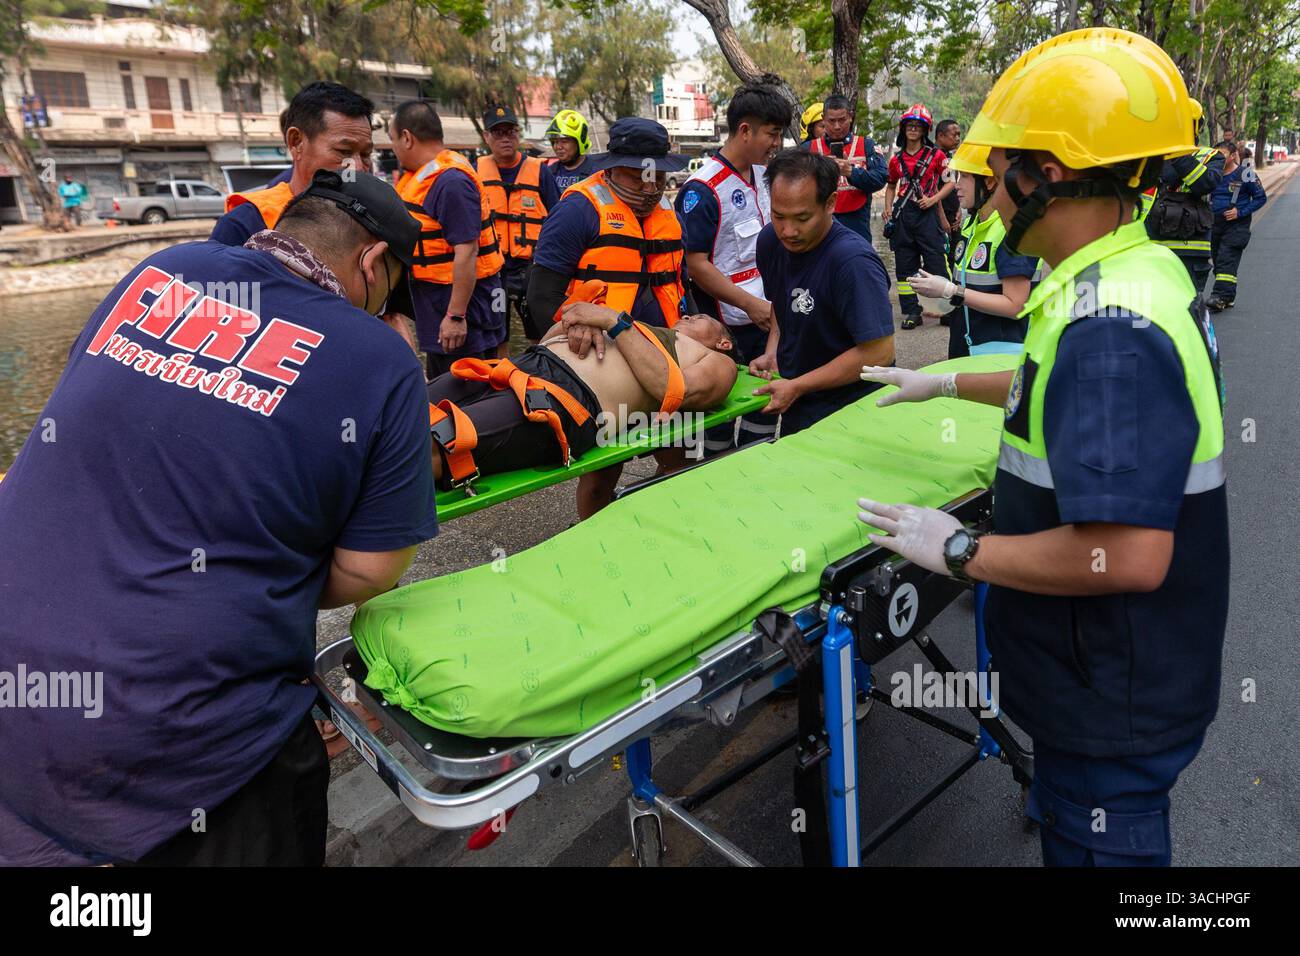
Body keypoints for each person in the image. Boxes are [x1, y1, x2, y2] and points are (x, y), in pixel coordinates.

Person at [860, 28, 1228, 868]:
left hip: (1107, 693)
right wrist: (945, 382)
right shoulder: (1132, 273)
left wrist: (958, 550)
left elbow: (1127, 555)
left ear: (1047, 175)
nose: (986, 198)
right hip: (1118, 676)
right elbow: (1054, 377)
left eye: (995, 177)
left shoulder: (1112, 328)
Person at [0, 169, 437, 866]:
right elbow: (368, 569)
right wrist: (255, 568)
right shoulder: (382, 358)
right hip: (184, 751)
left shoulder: (164, 268)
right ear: (372, 263)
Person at [527, 116, 690, 517]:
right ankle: (592, 537)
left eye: (658, 177)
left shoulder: (665, 212)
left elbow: (679, 284)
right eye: (639, 177)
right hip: (603, 360)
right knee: (603, 469)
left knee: (679, 454)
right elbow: (541, 294)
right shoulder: (578, 210)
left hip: (659, 350)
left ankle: (675, 529)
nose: (651, 187)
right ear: (611, 167)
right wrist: (569, 330)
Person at [427, 306, 737, 488]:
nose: (689, 315)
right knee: (405, 404)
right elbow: (549, 341)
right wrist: (575, 324)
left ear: (723, 343)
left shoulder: (716, 361)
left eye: (702, 317)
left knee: (439, 443)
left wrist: (613, 322)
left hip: (566, 400)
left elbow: (674, 391)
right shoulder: (640, 330)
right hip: (519, 366)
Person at [676, 81, 789, 451]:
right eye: (772, 135)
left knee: (763, 403)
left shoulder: (764, 176)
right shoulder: (702, 189)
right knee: (718, 416)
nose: (777, 144)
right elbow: (695, 265)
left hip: (766, 319)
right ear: (745, 130)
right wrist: (749, 305)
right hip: (726, 327)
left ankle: (755, 467)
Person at [751, 149, 894, 435]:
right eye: (779, 216)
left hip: (852, 413)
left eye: (802, 218)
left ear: (830, 203)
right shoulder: (770, 241)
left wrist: (799, 385)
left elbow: (880, 352)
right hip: (799, 408)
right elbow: (782, 300)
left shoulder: (852, 263)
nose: (788, 231)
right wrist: (773, 352)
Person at [389, 99, 506, 377]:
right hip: (438, 306)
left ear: (407, 138)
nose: (393, 148)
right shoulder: (423, 177)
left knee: (467, 389)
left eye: (393, 140)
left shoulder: (451, 182)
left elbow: (467, 251)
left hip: (464, 311)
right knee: (443, 384)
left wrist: (456, 316)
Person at [907, 143, 1037, 359]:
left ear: (989, 181)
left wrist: (952, 292)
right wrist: (944, 299)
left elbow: (1016, 305)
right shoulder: (971, 224)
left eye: (965, 177)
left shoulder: (1008, 229)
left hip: (998, 356)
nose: (956, 185)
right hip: (965, 347)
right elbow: (973, 289)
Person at [210, 81, 375, 246]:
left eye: (366, 154)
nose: (358, 168)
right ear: (296, 142)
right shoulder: (246, 224)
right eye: (344, 151)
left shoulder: (374, 217)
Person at [478, 104, 561, 346]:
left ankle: (541, 377)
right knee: (496, 333)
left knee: (540, 333)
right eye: (498, 133)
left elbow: (557, 219)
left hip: (532, 269)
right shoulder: (476, 172)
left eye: (511, 131)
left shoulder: (540, 172)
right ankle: (499, 378)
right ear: (486, 137)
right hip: (494, 271)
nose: (505, 138)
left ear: (519, 134)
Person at [880, 103, 954, 329]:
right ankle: (912, 311)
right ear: (904, 129)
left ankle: (946, 309)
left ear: (925, 130)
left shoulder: (937, 156)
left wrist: (933, 199)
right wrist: (888, 207)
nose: (913, 129)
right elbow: (891, 185)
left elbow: (950, 182)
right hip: (904, 216)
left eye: (917, 126)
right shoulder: (896, 160)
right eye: (909, 126)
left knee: (936, 261)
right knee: (905, 265)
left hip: (927, 215)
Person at [1145, 102, 1223, 297]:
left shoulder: (1211, 156)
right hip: (1151, 249)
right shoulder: (1148, 156)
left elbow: (1204, 184)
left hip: (1190, 251)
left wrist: (1178, 154)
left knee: (1189, 313)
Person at [804, 94, 888, 242]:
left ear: (850, 116)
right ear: (824, 119)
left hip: (857, 226)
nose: (837, 126)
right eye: (831, 121)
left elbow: (881, 178)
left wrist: (850, 172)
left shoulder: (866, 145)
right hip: (820, 226)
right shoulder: (808, 148)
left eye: (842, 120)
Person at [1208, 142, 1266, 312]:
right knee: (1219, 263)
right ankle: (1228, 297)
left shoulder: (1246, 174)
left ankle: (1218, 296)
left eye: (1223, 155)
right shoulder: (1212, 174)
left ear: (1233, 155)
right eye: (1215, 155)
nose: (1218, 159)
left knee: (1227, 259)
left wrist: (1240, 212)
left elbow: (1260, 198)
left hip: (1236, 226)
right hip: (1215, 224)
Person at [931, 119, 964, 323]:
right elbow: (933, 190)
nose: (958, 138)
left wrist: (960, 209)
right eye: (954, 134)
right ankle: (944, 310)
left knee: (956, 258)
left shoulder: (950, 158)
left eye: (959, 133)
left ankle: (954, 305)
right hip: (940, 218)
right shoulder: (933, 157)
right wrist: (942, 218)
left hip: (954, 215)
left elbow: (955, 186)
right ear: (941, 136)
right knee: (943, 261)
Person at [546, 109, 598, 192]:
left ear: (580, 141)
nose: (558, 147)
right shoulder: (549, 172)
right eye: (555, 141)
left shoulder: (597, 173)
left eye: (564, 141)